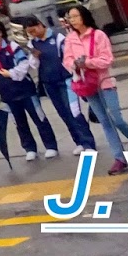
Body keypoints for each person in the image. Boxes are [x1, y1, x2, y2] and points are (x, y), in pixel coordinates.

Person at [62, 4, 128, 176]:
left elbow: (107, 59)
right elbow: (66, 60)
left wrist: (87, 62)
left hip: (104, 82)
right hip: (86, 84)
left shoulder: (98, 35)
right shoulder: (70, 39)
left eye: (75, 16)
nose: (72, 20)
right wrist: (74, 65)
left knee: (116, 118)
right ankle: (119, 158)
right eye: (70, 17)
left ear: (84, 16)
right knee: (104, 121)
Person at [0, 19, 59, 161]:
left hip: (25, 89)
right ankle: (29, 148)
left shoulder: (13, 46)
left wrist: (11, 73)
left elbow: (24, 64)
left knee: (39, 118)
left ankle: (51, 146)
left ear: (0, 33)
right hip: (7, 92)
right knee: (19, 122)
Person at [23, 17, 95, 155]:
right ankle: (78, 141)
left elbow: (68, 55)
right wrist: (35, 56)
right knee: (63, 113)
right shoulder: (32, 43)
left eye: (34, 30)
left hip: (66, 79)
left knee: (73, 110)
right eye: (29, 33)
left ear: (40, 24)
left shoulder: (58, 37)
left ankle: (88, 142)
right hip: (49, 82)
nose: (33, 34)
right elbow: (33, 66)